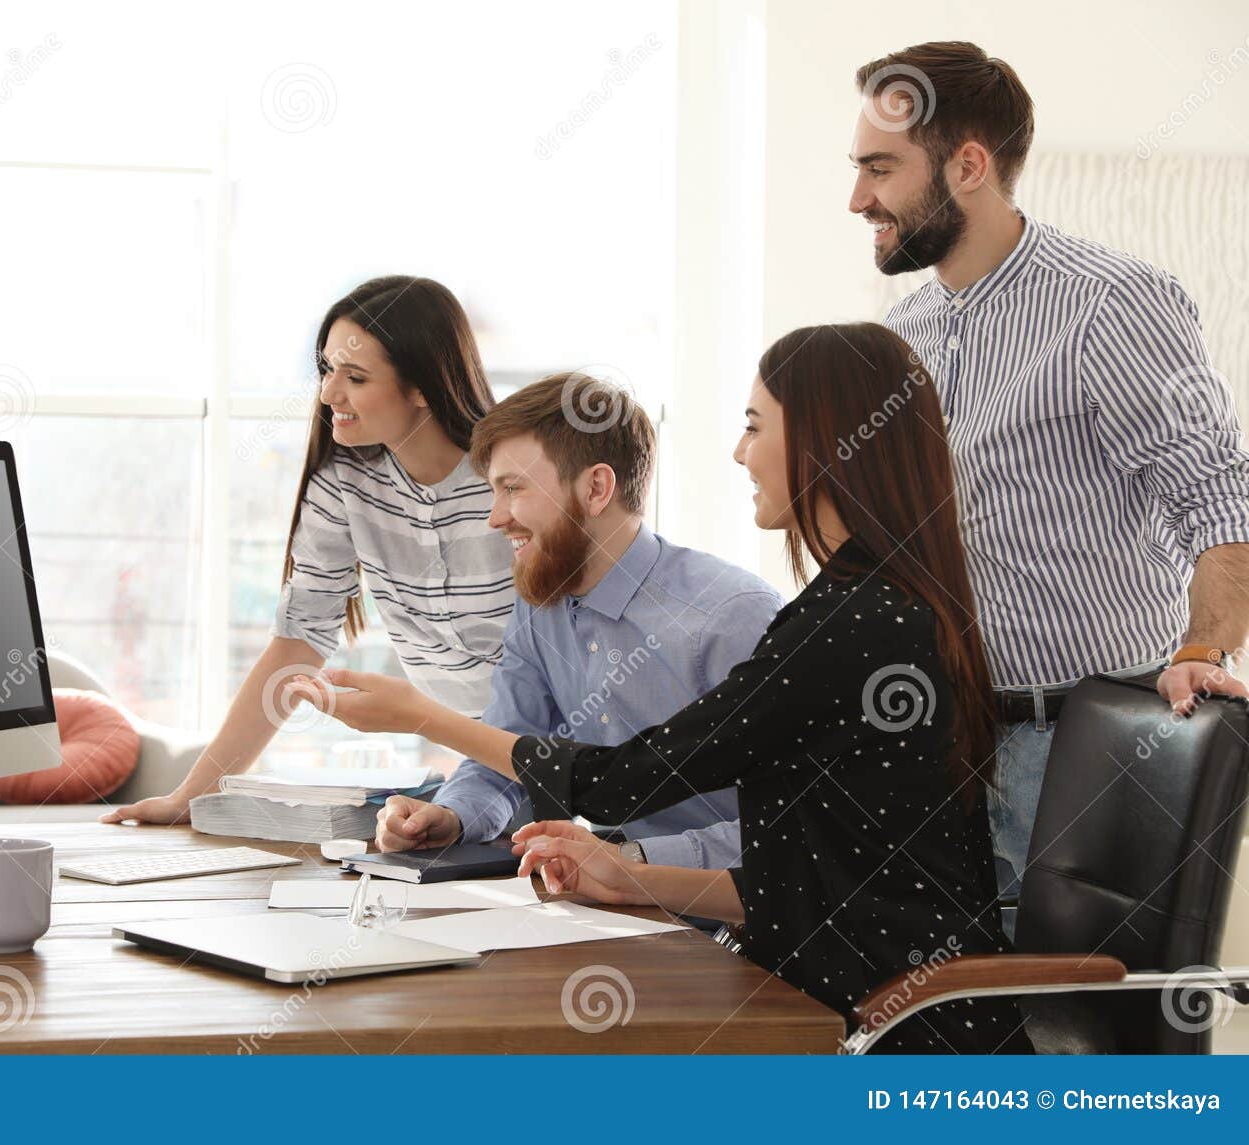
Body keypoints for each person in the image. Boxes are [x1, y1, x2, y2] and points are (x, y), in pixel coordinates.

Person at [293, 323, 1034, 1055]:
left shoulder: (834, 626)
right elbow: (788, 873)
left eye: (755, 426)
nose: (739, 451)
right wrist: (623, 878)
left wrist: (423, 717)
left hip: (891, 1032)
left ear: (824, 440)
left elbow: (625, 781)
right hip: (812, 987)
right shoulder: (854, 609)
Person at [848, 41, 1249, 887]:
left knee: (1073, 979)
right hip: (944, 743)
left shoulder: (1113, 304)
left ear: (968, 166)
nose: (859, 199)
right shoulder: (906, 330)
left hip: (1087, 744)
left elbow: (1220, 503)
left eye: (880, 169)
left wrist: (1206, 648)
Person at [102, 276, 515, 825]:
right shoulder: (346, 479)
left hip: (558, 751)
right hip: (480, 760)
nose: (328, 394)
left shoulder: (513, 474)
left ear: (423, 385)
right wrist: (188, 800)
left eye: (355, 377)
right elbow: (298, 642)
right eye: (327, 370)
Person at [374, 371, 779, 872]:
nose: (495, 518)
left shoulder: (732, 615)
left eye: (513, 489)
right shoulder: (539, 604)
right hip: (619, 894)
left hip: (734, 908)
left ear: (596, 488)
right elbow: (508, 754)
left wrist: (634, 862)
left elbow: (796, 826)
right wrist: (451, 816)